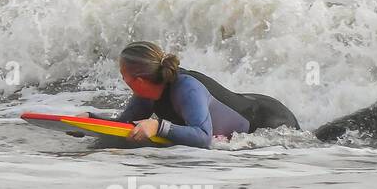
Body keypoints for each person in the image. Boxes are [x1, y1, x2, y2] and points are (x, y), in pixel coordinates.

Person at [115, 41, 299, 147]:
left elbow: (203, 137)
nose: (122, 78)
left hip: (269, 120)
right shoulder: (146, 93)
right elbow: (122, 125)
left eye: (123, 73)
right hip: (250, 103)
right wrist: (87, 120)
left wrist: (158, 126)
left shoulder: (187, 89)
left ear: (138, 80)